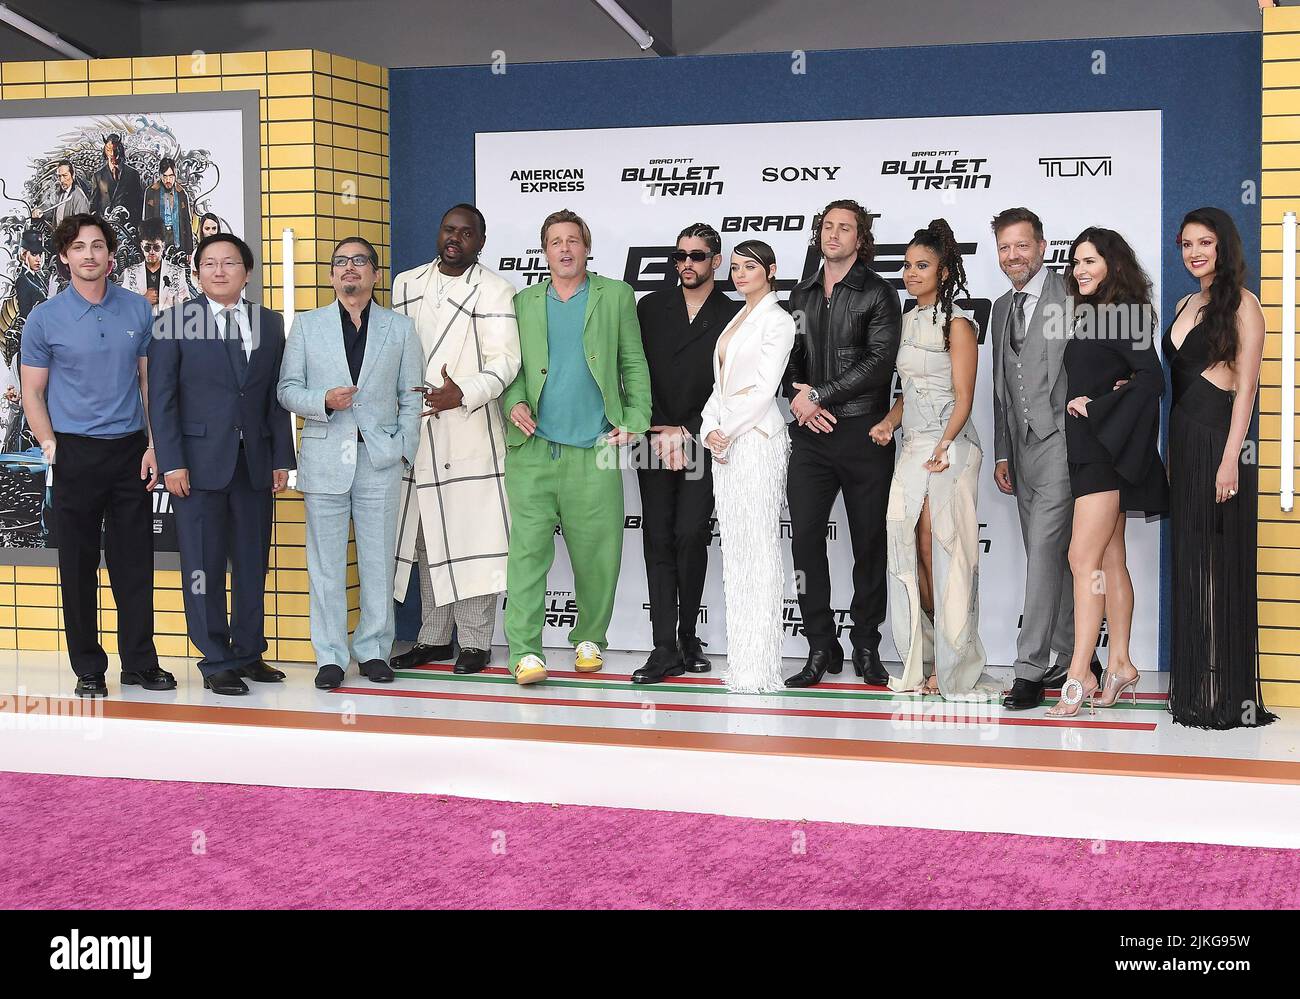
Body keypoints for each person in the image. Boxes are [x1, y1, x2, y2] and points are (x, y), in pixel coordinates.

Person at [19, 214, 171, 698]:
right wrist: (51, 447)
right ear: (64, 256)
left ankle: (140, 663)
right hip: (74, 453)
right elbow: (32, 393)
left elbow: (150, 384)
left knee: (135, 564)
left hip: (130, 452)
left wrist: (153, 445)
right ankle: (88, 667)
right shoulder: (44, 317)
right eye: (79, 247)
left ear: (111, 255)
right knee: (78, 566)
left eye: (98, 246)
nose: (90, 255)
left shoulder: (137, 311)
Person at [502, 209, 651, 685]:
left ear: (587, 247)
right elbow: (511, 368)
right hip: (533, 451)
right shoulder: (522, 301)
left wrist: (637, 419)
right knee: (527, 556)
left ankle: (590, 639)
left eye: (572, 240)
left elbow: (633, 361)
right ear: (544, 251)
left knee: (598, 553)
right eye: (554, 242)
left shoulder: (617, 295)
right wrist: (514, 401)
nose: (564, 249)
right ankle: (524, 651)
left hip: (598, 447)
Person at [148, 232, 295, 696]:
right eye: (209, 263)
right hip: (197, 466)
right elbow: (162, 400)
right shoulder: (174, 322)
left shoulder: (268, 323)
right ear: (196, 273)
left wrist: (281, 459)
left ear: (246, 272)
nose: (219, 270)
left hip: (254, 464)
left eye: (229, 262)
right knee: (203, 568)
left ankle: (250, 652)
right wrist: (171, 461)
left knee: (252, 564)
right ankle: (215, 658)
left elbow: (274, 396)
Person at [277, 237, 423, 689]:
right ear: (331, 275)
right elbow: (287, 389)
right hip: (325, 458)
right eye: (340, 263)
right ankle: (331, 657)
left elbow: (411, 396)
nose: (349, 269)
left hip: (378, 458)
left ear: (375, 274)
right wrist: (322, 399)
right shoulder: (307, 325)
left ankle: (376, 650)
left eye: (359, 262)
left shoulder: (399, 328)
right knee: (325, 564)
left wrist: (403, 448)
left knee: (378, 562)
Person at [390, 204, 520, 675]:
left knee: (473, 539)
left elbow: (506, 362)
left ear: (480, 242)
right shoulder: (405, 284)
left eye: (466, 234)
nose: (455, 239)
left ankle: (475, 642)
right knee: (426, 539)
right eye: (449, 230)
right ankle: (432, 637)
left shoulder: (497, 290)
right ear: (439, 232)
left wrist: (462, 392)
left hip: (470, 429)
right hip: (417, 429)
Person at [872, 220, 999, 700]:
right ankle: (923, 659)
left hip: (952, 447)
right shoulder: (905, 322)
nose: (910, 273)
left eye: (921, 265)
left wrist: (944, 445)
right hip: (913, 447)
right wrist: (889, 421)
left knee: (942, 549)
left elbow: (964, 396)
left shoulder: (959, 322)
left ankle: (954, 666)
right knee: (908, 550)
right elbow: (909, 393)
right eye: (906, 266)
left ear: (944, 272)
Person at [1049, 227, 1169, 718]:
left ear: (1112, 266)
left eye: (1090, 261)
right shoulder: (1088, 315)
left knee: (1082, 559)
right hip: (1090, 449)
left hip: (1106, 451)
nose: (1080, 269)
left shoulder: (1127, 314)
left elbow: (1153, 379)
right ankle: (1120, 662)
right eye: (1076, 262)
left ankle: (1080, 671)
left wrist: (1099, 405)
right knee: (1110, 560)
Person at [1164, 208, 1276, 729]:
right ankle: (1196, 687)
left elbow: (1246, 390)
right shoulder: (1186, 302)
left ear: (1224, 247)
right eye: (1186, 244)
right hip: (1185, 443)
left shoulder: (1244, 304)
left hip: (1220, 447)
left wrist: (1232, 458)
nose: (1194, 253)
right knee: (1192, 565)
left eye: (1204, 243)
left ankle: (1226, 693)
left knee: (1217, 566)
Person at [784, 200, 901, 688]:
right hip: (811, 437)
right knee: (806, 542)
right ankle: (819, 644)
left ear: (861, 238)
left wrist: (820, 397)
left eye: (844, 228)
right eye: (827, 227)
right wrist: (797, 396)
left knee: (868, 544)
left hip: (863, 433)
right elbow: (786, 358)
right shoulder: (802, 291)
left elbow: (880, 361)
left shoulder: (878, 291)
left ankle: (867, 643)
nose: (833, 235)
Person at [990, 208, 1102, 710]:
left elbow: (1104, 361)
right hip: (1021, 450)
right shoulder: (997, 309)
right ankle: (1083, 656)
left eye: (1021, 245)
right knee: (1047, 558)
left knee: (1043, 557)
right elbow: (1000, 390)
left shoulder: (1072, 296)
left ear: (1042, 246)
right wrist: (1002, 452)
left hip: (1060, 444)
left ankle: (1030, 669)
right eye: (1004, 248)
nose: (1013, 256)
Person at [631, 222, 740, 684]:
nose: (687, 264)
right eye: (680, 256)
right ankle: (663, 647)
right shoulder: (650, 307)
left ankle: (689, 637)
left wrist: (688, 431)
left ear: (716, 260)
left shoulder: (734, 314)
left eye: (697, 256)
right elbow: (632, 370)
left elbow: (734, 386)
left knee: (692, 535)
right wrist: (659, 429)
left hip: (704, 439)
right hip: (653, 437)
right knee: (657, 537)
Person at [701, 241, 794, 693]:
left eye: (750, 266)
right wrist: (708, 429)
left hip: (757, 441)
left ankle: (763, 669)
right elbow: (719, 389)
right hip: (728, 445)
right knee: (736, 554)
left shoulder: (778, 321)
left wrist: (728, 431)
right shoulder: (735, 320)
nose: (739, 274)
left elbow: (763, 390)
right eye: (735, 267)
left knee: (759, 552)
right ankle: (742, 664)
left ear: (771, 271)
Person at [120, 218, 190, 315]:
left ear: (163, 246)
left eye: (156, 247)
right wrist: (143, 301)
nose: (152, 252)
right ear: (141, 246)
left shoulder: (177, 273)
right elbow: (122, 307)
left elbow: (186, 308)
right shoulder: (130, 273)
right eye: (147, 247)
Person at [89, 133, 144, 234]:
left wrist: (137, 227)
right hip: (105, 227)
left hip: (128, 228)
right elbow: (94, 205)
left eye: (115, 150)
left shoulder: (132, 174)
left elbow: (139, 204)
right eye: (109, 150)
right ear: (105, 151)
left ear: (121, 150)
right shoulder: (98, 176)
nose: (112, 154)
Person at [143, 157, 195, 256]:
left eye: (171, 176)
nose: (168, 180)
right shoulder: (151, 191)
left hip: (177, 236)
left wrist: (189, 251)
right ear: (160, 175)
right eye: (165, 176)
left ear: (175, 175)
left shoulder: (181, 193)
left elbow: (187, 222)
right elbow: (146, 221)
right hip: (158, 236)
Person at [31, 161, 89, 226]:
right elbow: (49, 205)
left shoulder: (79, 197)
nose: (61, 180)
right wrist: (39, 210)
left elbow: (82, 225)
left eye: (65, 176)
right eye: (59, 176)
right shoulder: (58, 191)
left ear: (73, 175)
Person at [15, 229, 48, 320]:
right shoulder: (22, 280)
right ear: (24, 255)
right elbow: (25, 315)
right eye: (34, 254)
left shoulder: (36, 277)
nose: (38, 259)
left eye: (40, 254)